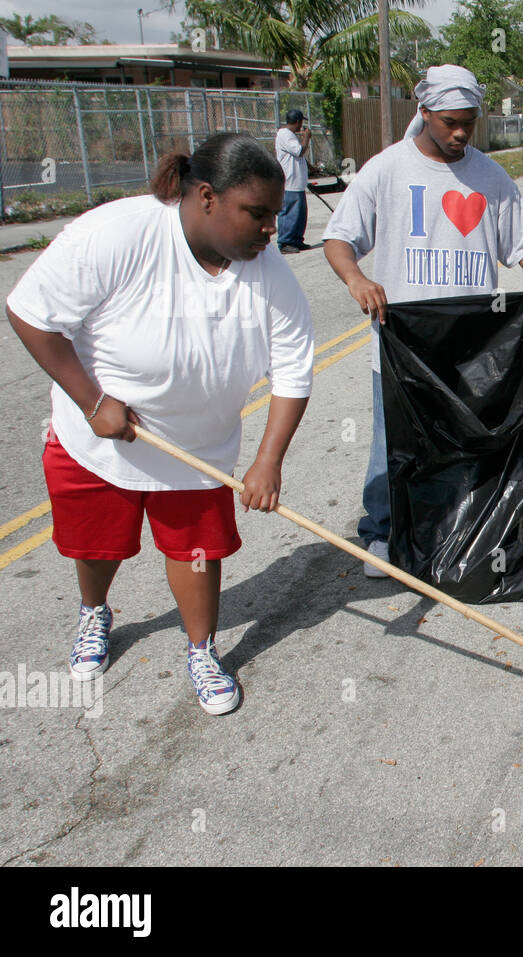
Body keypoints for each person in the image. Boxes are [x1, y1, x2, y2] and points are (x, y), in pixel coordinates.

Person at [5, 132, 315, 716]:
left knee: (197, 553)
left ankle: (202, 649)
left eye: (275, 214)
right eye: (258, 213)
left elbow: (294, 367)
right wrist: (93, 401)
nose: (272, 229)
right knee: (98, 545)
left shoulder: (267, 270)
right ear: (205, 197)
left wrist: (268, 459)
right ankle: (94, 613)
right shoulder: (119, 233)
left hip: (197, 453)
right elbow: (31, 313)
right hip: (102, 443)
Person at [322, 64, 523, 578]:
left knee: (468, 444)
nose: (459, 134)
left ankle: (457, 533)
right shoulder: (386, 171)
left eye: (469, 124)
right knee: (393, 450)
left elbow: (522, 244)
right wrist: (355, 280)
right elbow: (339, 239)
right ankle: (382, 535)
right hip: (404, 345)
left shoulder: (490, 177)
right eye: (450, 121)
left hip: (473, 347)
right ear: (424, 112)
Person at [276, 108, 312, 251]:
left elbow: (297, 155)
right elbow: (298, 151)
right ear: (298, 122)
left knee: (299, 214)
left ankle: (296, 240)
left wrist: (310, 166)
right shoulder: (285, 134)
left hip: (297, 182)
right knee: (289, 212)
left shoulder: (290, 135)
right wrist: (306, 137)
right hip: (289, 182)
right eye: (301, 122)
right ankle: (285, 242)